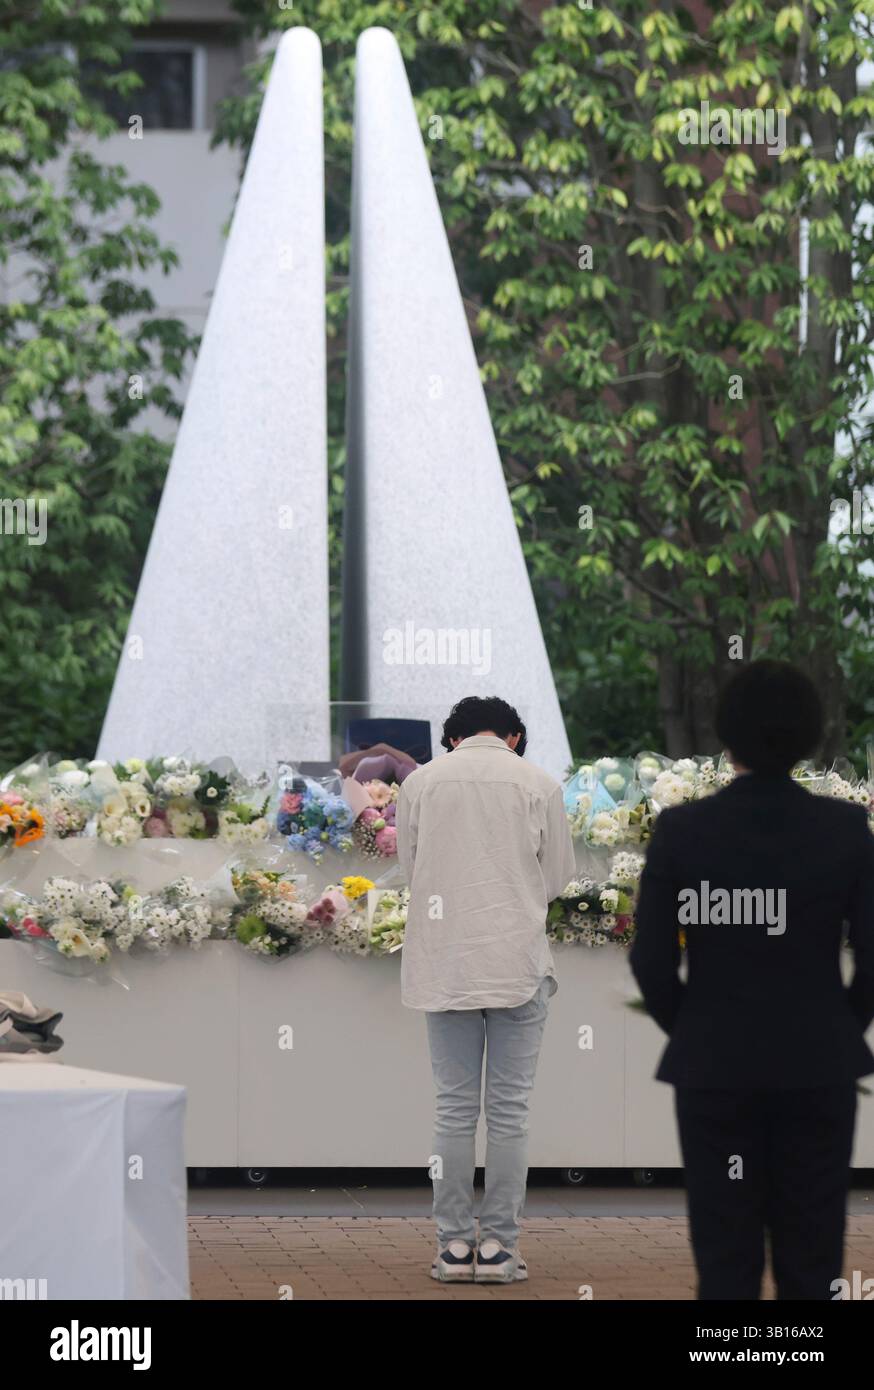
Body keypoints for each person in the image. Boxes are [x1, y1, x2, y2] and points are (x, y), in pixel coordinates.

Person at [630, 660, 874, 1300]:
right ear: (808, 736)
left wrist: (695, 1025)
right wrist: (840, 1023)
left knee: (724, 1259)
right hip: (818, 1064)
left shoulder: (683, 831)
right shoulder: (845, 829)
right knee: (812, 1259)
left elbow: (651, 961)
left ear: (726, 735)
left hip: (715, 1066)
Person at [395, 695, 575, 1284]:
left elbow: (413, 870)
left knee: (452, 1110)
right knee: (509, 1113)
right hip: (518, 962)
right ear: (514, 736)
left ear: (452, 738)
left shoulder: (420, 784)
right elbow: (556, 878)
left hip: (445, 964)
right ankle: (499, 1246)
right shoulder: (540, 784)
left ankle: (452, 1247)